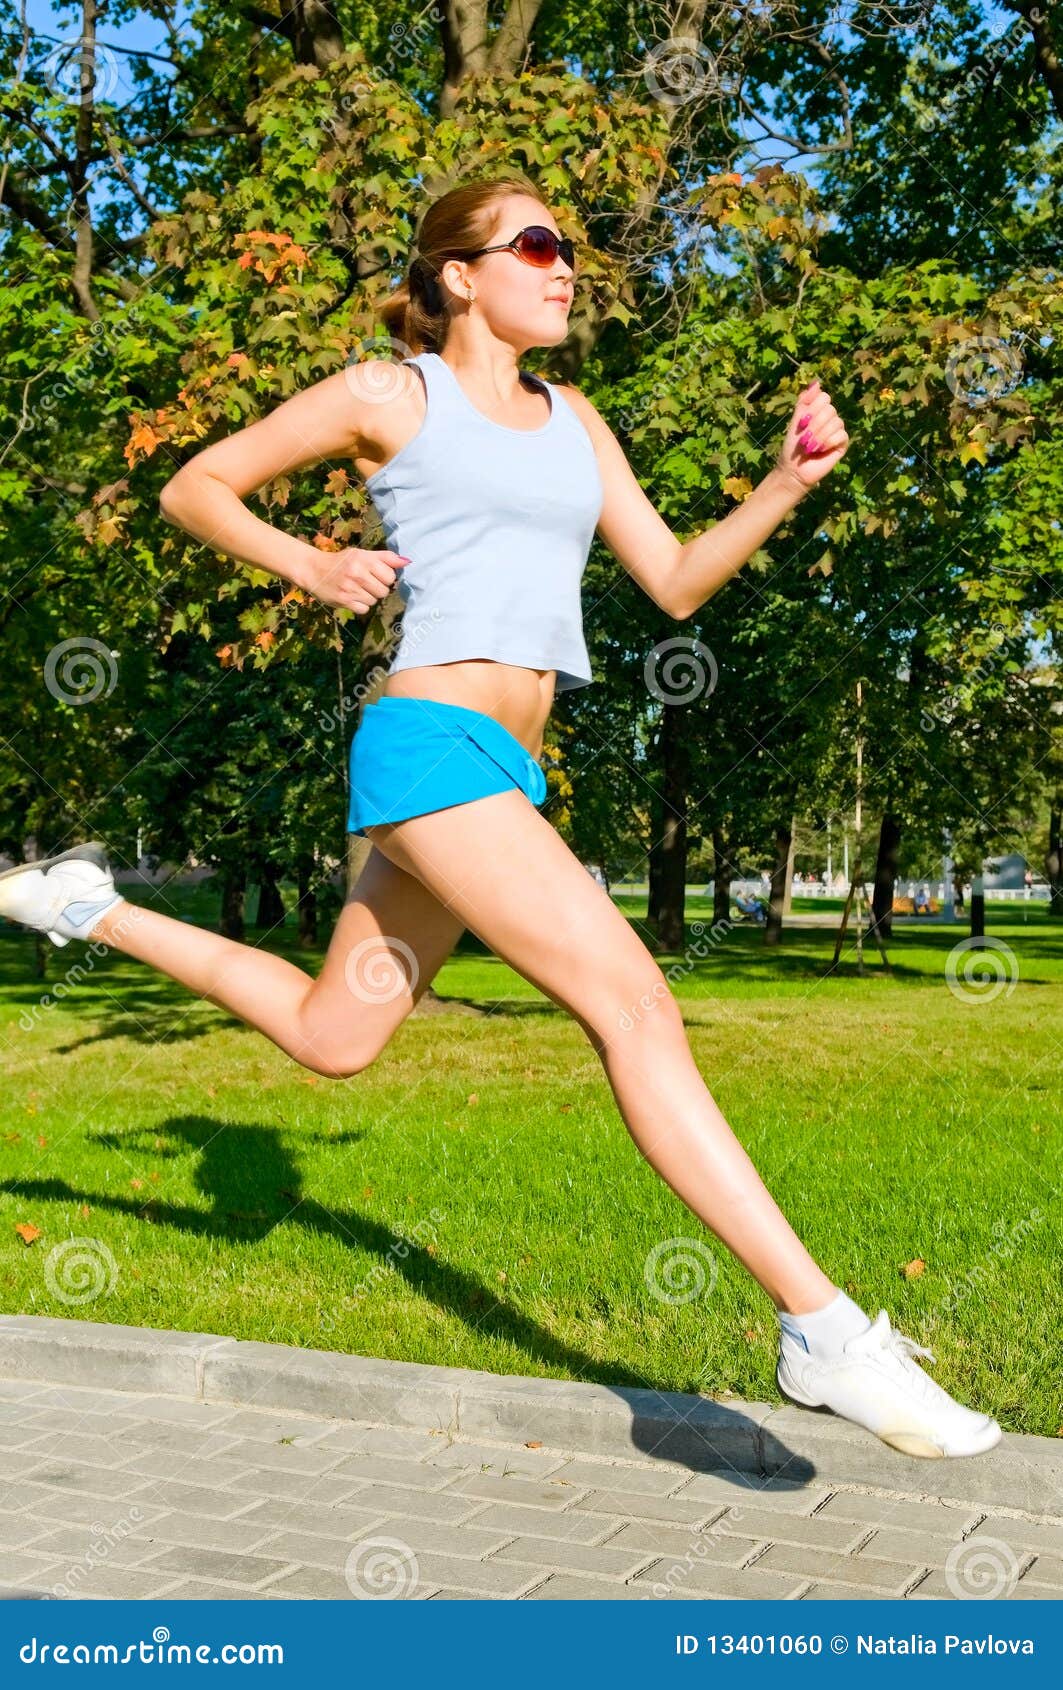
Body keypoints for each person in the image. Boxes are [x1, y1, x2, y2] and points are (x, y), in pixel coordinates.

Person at [0, 173, 999, 1460]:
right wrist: (312, 563)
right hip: (428, 748)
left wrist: (785, 484)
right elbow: (197, 485)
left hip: (502, 771)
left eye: (568, 247)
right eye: (535, 243)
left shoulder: (576, 420)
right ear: (460, 273)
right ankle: (823, 1330)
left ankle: (87, 906)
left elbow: (675, 581)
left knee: (332, 1034)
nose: (563, 264)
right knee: (635, 1004)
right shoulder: (386, 395)